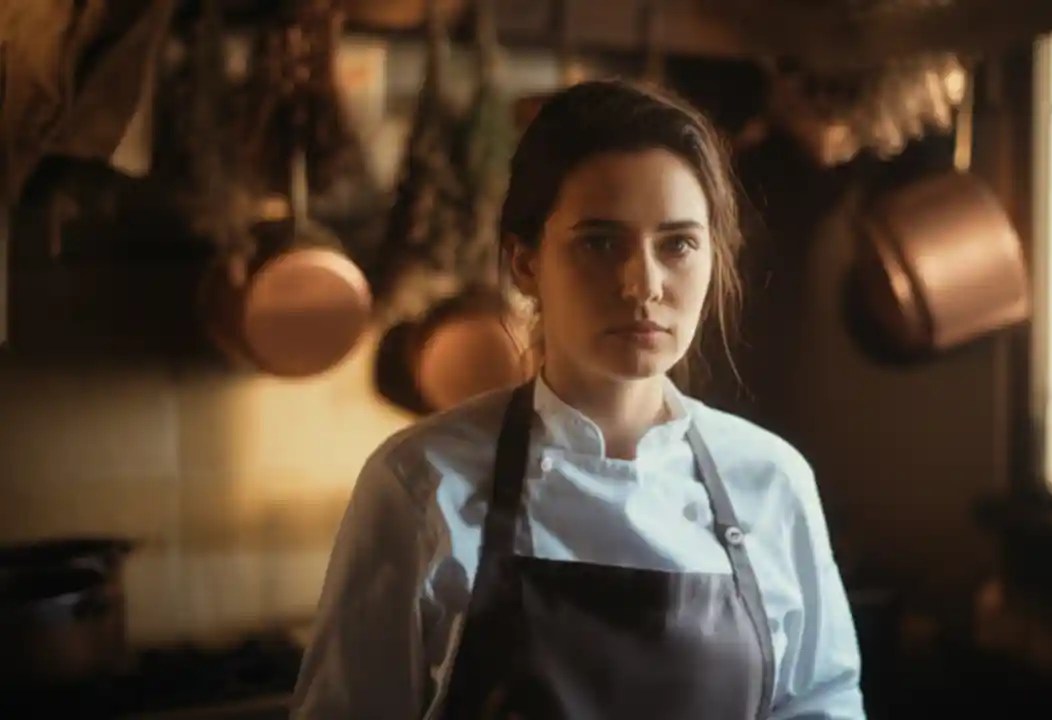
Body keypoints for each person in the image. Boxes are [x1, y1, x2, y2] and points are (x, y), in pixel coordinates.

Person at [291, 78, 866, 719]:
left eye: (677, 244)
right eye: (599, 242)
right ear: (524, 263)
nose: (642, 284)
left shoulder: (770, 479)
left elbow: (821, 704)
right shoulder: (420, 483)